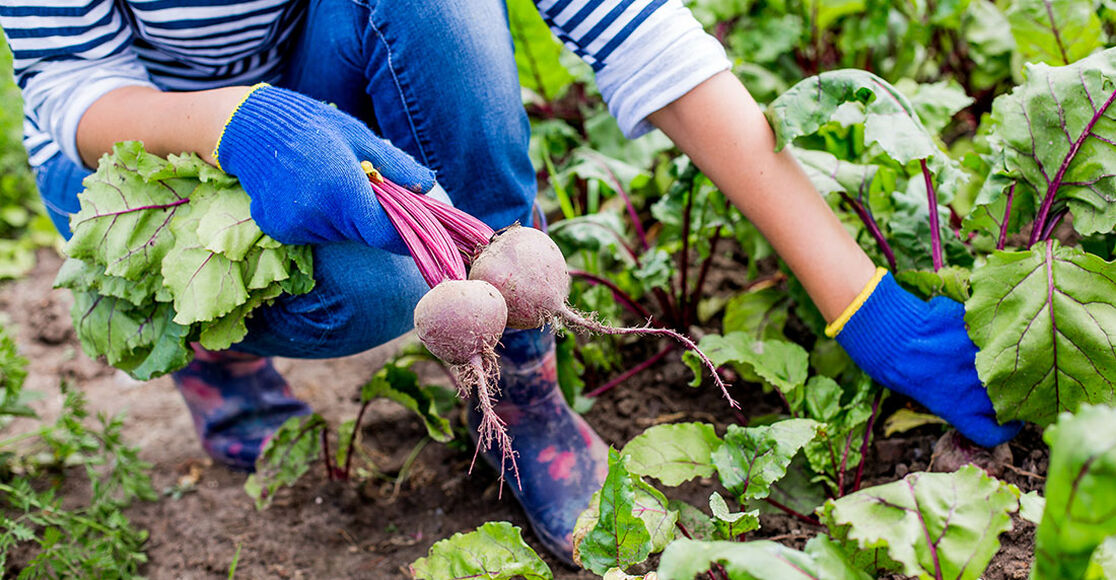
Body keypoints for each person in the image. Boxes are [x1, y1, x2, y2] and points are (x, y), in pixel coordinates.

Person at [0, 0, 1020, 565]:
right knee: (385, 284)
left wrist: (858, 295)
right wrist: (231, 125)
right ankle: (216, 345)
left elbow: (631, 25)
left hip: (308, 73)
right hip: (137, 169)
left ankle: (522, 385)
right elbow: (68, 88)